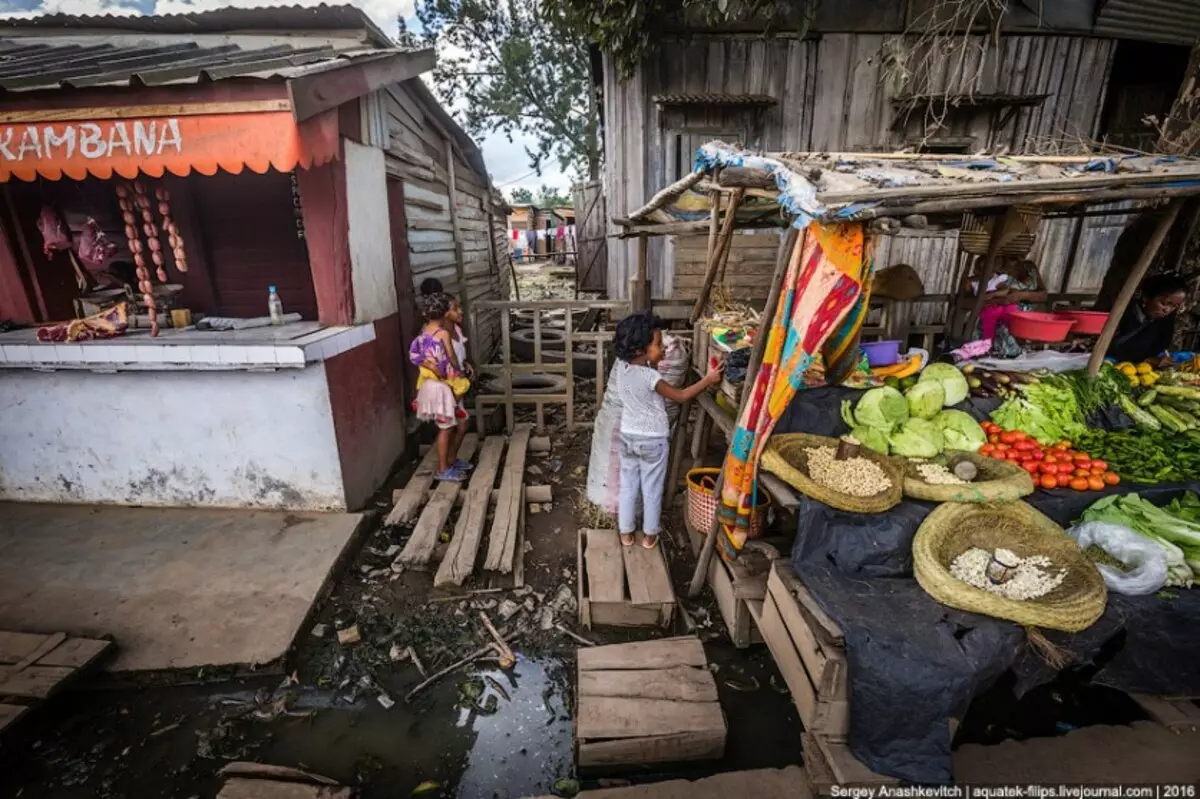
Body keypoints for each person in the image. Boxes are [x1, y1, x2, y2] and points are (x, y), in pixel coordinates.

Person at [614, 312, 723, 549]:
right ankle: (650, 535)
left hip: (627, 436)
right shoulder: (651, 377)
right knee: (652, 488)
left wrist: (652, 357)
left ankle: (626, 533)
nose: (663, 347)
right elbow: (681, 396)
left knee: (628, 485)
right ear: (638, 351)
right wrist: (709, 379)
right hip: (653, 440)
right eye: (657, 344)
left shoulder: (622, 370)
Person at [409, 291, 473, 482]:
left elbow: (415, 356)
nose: (459, 310)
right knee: (446, 427)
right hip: (442, 388)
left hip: (442, 386)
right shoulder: (443, 333)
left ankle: (451, 461)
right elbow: (452, 357)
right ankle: (443, 469)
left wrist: (428, 364)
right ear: (445, 312)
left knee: (461, 422)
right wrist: (458, 370)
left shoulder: (423, 334)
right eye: (453, 308)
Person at [962, 255, 1047, 357]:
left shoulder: (1029, 267)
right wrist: (993, 299)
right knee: (999, 323)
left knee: (1018, 322)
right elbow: (969, 298)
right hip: (998, 308)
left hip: (1025, 313)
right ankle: (993, 352)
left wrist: (1020, 296)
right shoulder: (995, 266)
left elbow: (1043, 295)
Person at [1108, 274, 1189, 363]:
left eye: (1174, 306)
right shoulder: (1122, 314)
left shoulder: (1166, 320)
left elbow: (1160, 346)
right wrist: (1147, 360)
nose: (1167, 310)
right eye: (1163, 303)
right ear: (1146, 297)